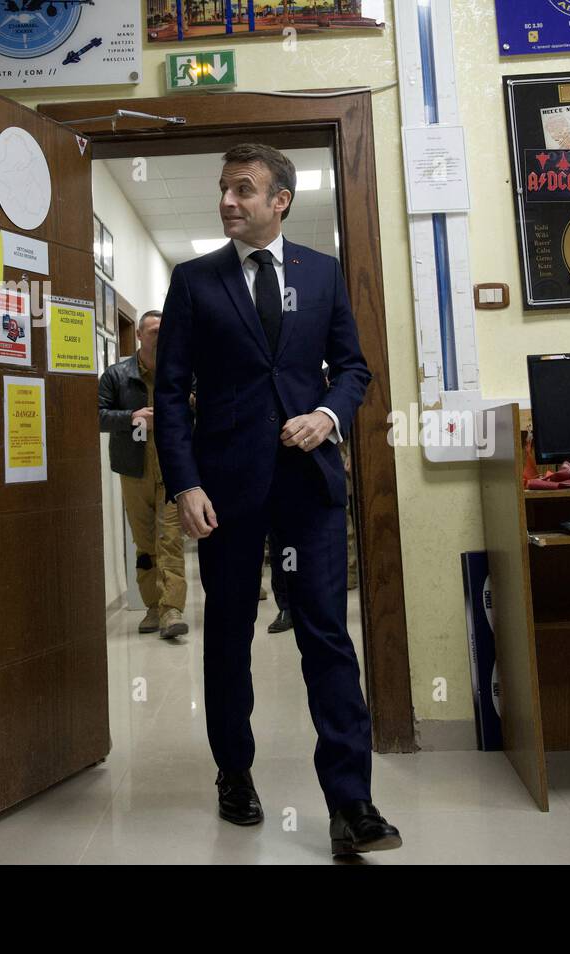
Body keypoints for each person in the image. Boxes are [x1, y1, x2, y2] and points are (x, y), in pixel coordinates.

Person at [154, 143, 401, 856]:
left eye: (244, 190)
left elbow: (353, 368)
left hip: (307, 483)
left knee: (326, 633)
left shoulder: (320, 275)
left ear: (279, 201)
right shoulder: (195, 281)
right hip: (224, 489)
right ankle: (235, 772)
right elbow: (170, 394)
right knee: (229, 635)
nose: (229, 201)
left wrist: (326, 416)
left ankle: (352, 802)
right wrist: (186, 482)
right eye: (224, 189)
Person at [98, 311, 188, 639]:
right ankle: (153, 606)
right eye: (152, 331)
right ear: (138, 335)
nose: (159, 337)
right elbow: (98, 416)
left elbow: (199, 406)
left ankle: (172, 610)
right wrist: (131, 416)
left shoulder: (180, 371)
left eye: (164, 331)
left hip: (174, 471)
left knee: (171, 540)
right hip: (134, 471)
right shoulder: (116, 375)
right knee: (145, 544)